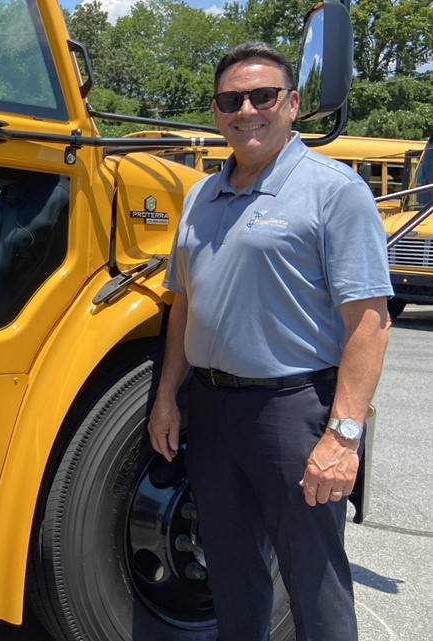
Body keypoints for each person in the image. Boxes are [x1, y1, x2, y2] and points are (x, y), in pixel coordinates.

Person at [147, 41, 392, 641]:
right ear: (216, 111)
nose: (247, 109)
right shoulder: (201, 195)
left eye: (263, 95)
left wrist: (344, 435)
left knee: (315, 583)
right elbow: (184, 305)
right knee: (231, 573)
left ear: (293, 103)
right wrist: (167, 396)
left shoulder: (334, 190)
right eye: (232, 99)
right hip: (211, 408)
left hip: (292, 411)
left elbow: (370, 320)